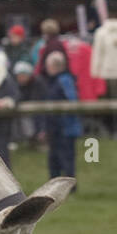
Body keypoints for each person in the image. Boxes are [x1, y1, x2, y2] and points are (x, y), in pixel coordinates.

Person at [43, 51, 81, 182]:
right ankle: (54, 186)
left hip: (65, 128)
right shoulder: (54, 81)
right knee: (54, 160)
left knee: (67, 159)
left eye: (48, 66)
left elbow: (72, 101)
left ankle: (70, 187)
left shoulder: (65, 80)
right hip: (55, 128)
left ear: (55, 66)